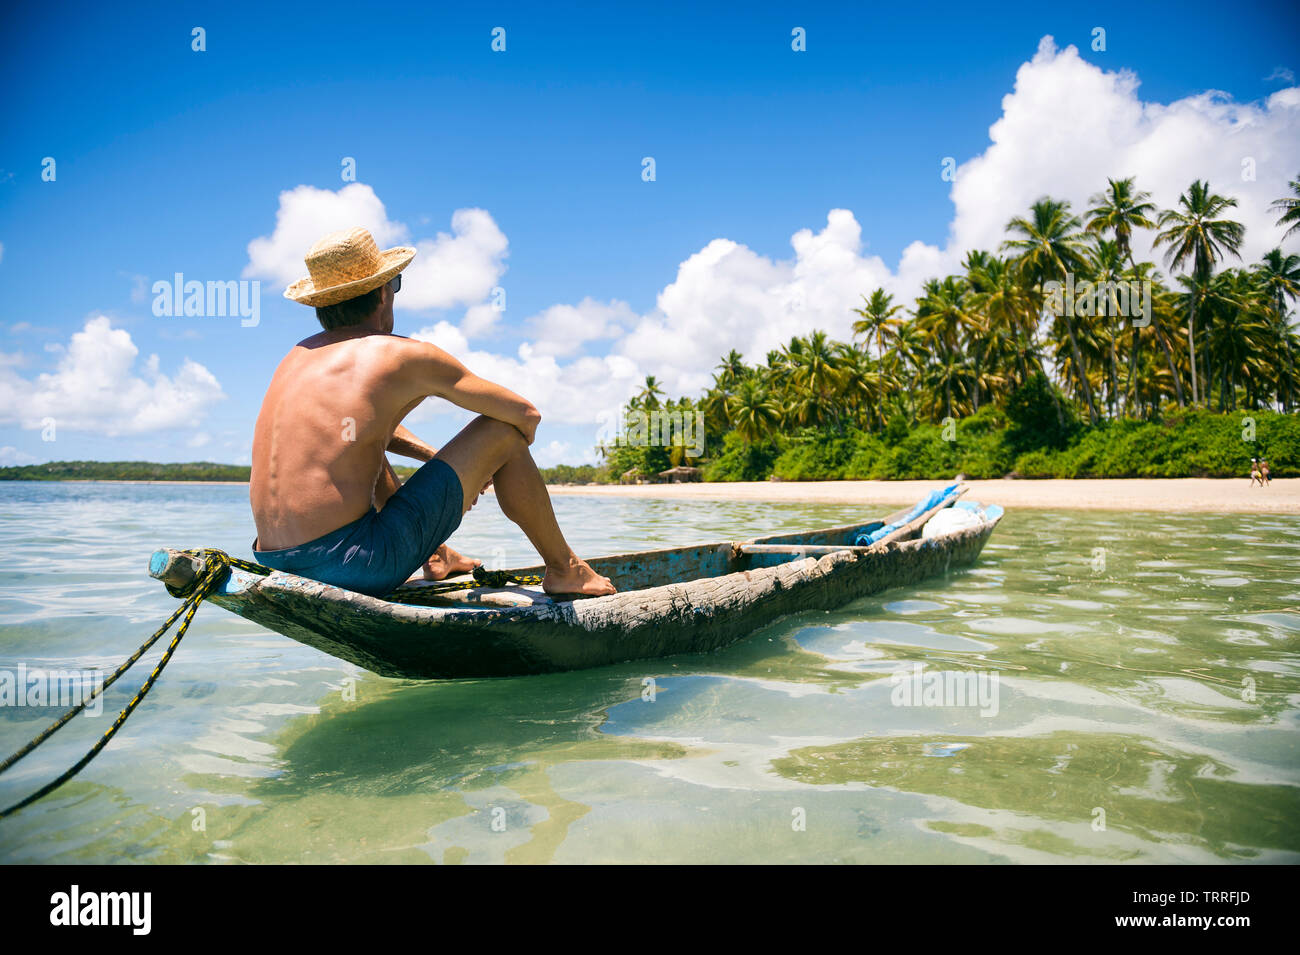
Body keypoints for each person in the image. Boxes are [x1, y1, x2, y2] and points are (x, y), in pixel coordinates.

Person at [248, 227, 616, 599]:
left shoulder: (296, 357)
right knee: (502, 431)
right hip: (352, 565)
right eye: (396, 285)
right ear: (381, 293)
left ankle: (437, 555)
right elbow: (525, 414)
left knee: (360, 441)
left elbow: (363, 431)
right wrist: (490, 461)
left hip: (273, 561)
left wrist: (438, 460)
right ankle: (566, 570)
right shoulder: (401, 354)